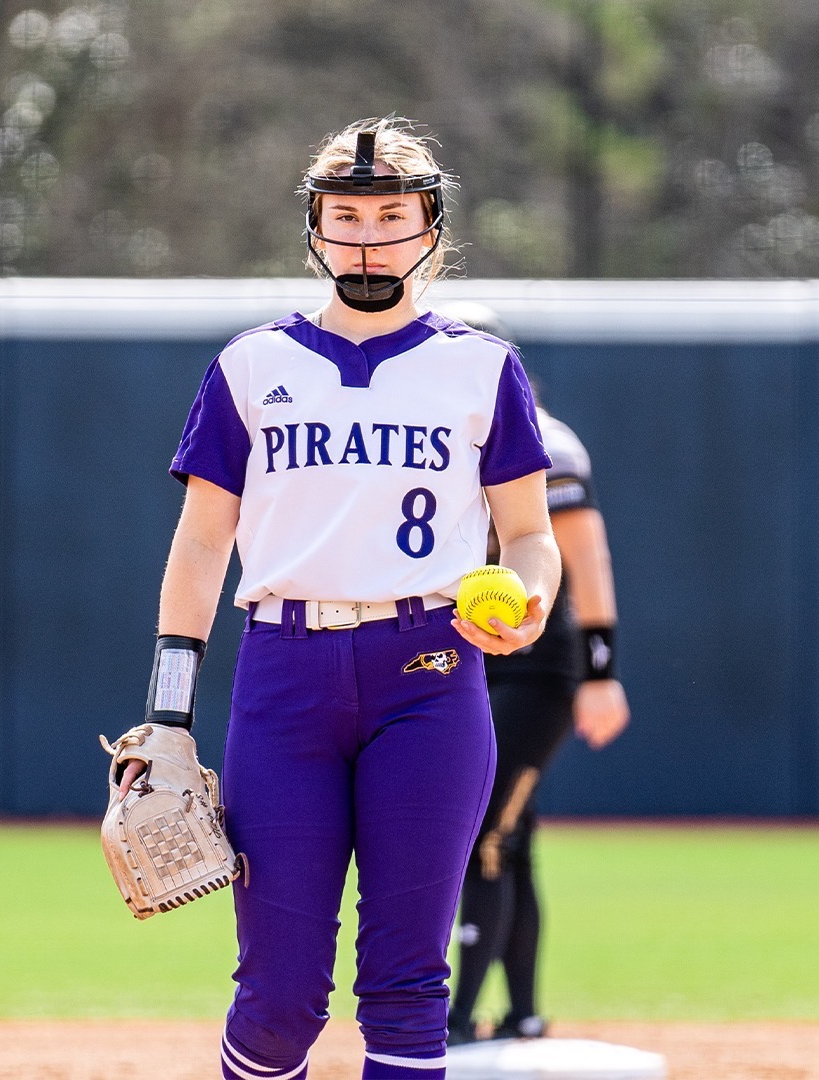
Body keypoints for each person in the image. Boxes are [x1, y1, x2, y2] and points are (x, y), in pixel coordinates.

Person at [128, 117, 560, 1079]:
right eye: (346, 214)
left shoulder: (481, 367)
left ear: (431, 229)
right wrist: (166, 713)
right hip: (285, 676)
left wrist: (529, 594)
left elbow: (531, 534)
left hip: (430, 674)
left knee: (408, 990)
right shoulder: (251, 365)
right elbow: (203, 543)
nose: (367, 237)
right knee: (279, 997)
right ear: (315, 229)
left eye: (390, 215)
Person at [437, 304, 631, 1045]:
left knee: (483, 834)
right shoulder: (433, 434)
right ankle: (520, 1014)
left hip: (536, 666)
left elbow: (588, 559)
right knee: (511, 840)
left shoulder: (548, 441)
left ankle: (456, 1020)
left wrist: (600, 672)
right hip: (463, 657)